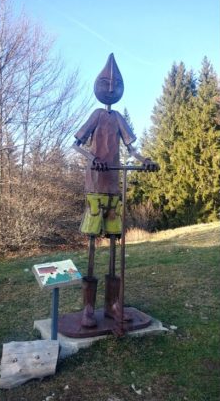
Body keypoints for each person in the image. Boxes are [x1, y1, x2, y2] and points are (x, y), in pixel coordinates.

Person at [72, 53, 158, 328]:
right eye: (105, 82)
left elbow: (131, 148)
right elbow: (76, 144)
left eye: (115, 83)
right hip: (96, 184)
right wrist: (92, 159)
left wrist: (144, 160)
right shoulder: (97, 115)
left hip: (114, 186)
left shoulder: (118, 117)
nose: (110, 87)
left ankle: (112, 305)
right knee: (92, 245)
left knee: (114, 243)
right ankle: (88, 307)